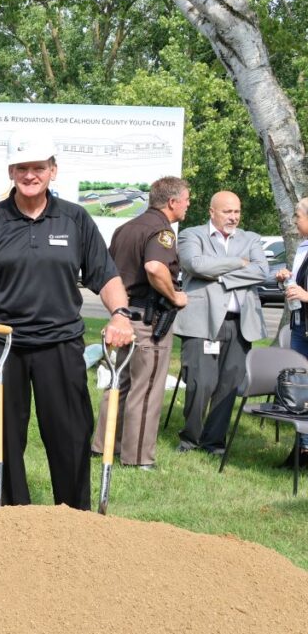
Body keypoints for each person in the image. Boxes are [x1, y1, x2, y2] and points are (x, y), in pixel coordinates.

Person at [0, 131, 134, 509]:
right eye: (22, 168)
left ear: (53, 171)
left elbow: (106, 276)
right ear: (11, 172)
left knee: (70, 434)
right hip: (2, 346)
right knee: (6, 438)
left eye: (38, 168)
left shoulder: (74, 219)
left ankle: (73, 516)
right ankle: (16, 518)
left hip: (60, 344)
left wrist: (121, 314)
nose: (30, 175)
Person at [92, 176, 191, 470]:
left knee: (119, 383)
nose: (188, 204)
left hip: (124, 316)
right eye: (186, 199)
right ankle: (137, 458)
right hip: (149, 321)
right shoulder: (162, 232)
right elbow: (154, 267)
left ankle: (103, 445)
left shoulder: (126, 228)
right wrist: (175, 296)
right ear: (172, 202)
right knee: (146, 389)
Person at [175, 191, 267, 455]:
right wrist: (239, 263)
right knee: (199, 382)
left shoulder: (250, 238)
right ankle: (190, 438)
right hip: (202, 321)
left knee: (228, 384)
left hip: (240, 324)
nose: (234, 217)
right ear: (212, 211)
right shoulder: (192, 235)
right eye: (228, 212)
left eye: (237, 212)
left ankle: (214, 442)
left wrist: (223, 277)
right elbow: (195, 264)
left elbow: (261, 270)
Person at [274, 198, 308, 468]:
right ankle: (301, 450)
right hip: (300, 326)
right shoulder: (302, 247)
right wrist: (287, 278)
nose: (294, 220)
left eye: (297, 215)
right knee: (301, 388)